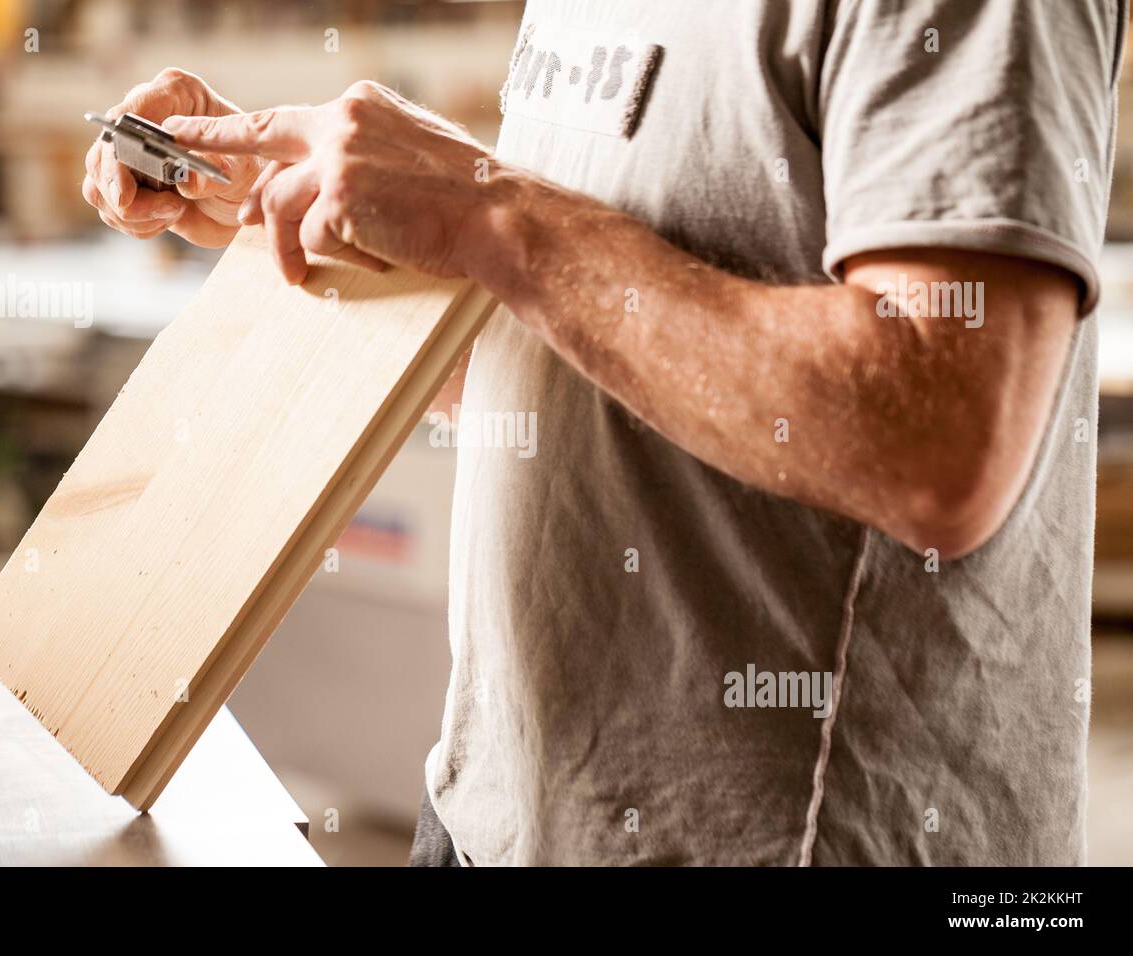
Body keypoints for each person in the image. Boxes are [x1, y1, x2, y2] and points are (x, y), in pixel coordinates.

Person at [83, 0, 1126, 865]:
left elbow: (938, 440)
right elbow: (582, 347)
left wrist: (485, 209)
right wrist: (320, 220)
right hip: (497, 809)